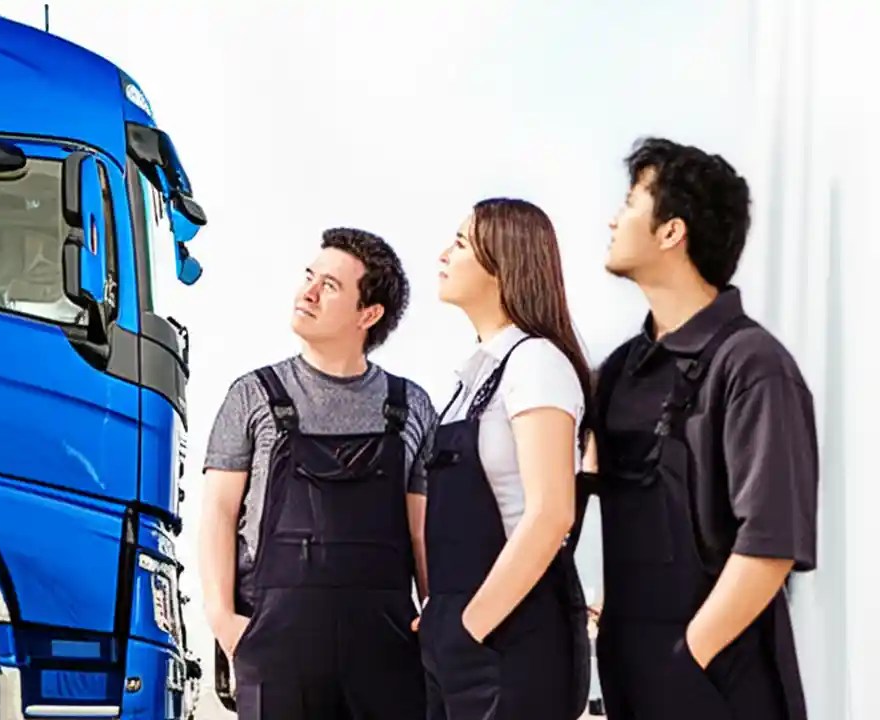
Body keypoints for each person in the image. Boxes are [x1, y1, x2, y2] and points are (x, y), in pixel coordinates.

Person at [588, 136, 818, 720]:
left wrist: (686, 661)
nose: (613, 218)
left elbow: (770, 546)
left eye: (632, 202)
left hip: (721, 687)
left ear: (672, 231)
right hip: (628, 678)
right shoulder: (618, 373)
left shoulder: (752, 364)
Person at [198, 227, 436, 719]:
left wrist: (435, 615)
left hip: (387, 652)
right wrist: (224, 622)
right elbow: (218, 515)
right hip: (275, 647)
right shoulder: (253, 395)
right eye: (310, 276)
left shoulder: (410, 406)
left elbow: (423, 531)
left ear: (368, 315)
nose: (307, 293)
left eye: (329, 285)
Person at [418, 198, 593, 720]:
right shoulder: (464, 381)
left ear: (504, 264)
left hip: (513, 639)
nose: (444, 253)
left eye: (462, 242)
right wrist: (440, 617)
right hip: (460, 639)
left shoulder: (536, 363)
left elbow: (550, 514)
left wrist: (469, 625)